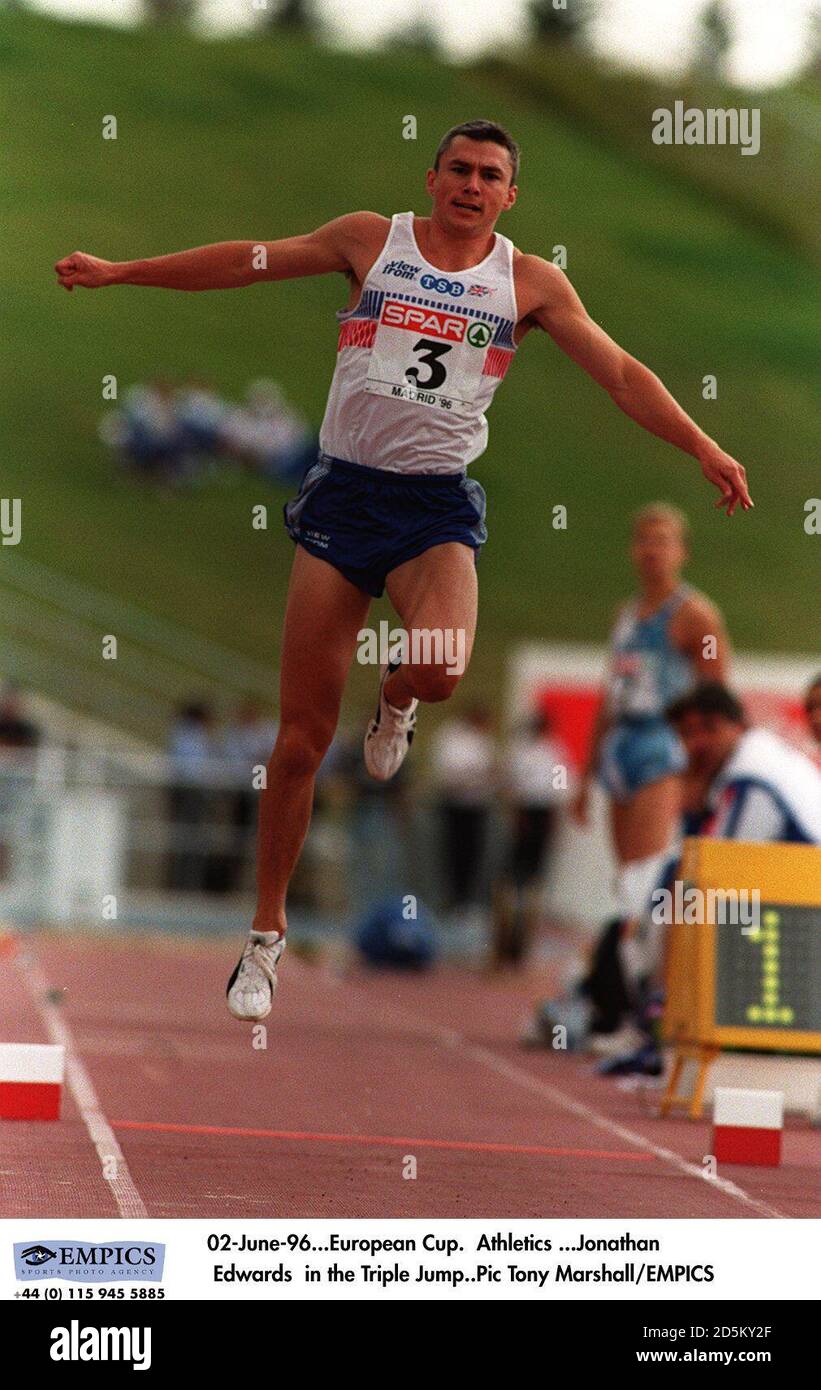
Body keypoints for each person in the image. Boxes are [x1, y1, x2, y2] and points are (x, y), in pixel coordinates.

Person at [55, 119, 753, 1022]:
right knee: (300, 741)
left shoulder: (529, 283)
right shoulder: (367, 242)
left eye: (489, 175)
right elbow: (250, 260)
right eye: (457, 168)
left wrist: (700, 444)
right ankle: (263, 939)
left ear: (510, 196)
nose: (470, 184)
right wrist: (123, 270)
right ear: (431, 177)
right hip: (343, 500)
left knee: (440, 666)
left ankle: (398, 700)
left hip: (433, 508)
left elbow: (618, 372)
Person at [573, 503, 729, 922]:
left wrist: (706, 769)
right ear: (632, 551)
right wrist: (585, 777)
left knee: (648, 874)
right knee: (626, 878)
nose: (652, 551)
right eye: (644, 540)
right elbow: (610, 696)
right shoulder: (625, 615)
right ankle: (624, 968)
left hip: (663, 746)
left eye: (663, 542)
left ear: (683, 553)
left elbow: (718, 699)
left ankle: (648, 974)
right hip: (621, 743)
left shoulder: (695, 615)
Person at [493, 709, 570, 966]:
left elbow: (559, 790)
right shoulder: (521, 752)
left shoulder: (554, 752)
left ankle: (524, 941)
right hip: (523, 812)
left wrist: (553, 820)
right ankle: (504, 939)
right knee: (512, 878)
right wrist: (515, 814)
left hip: (543, 813)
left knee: (534, 880)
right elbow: (509, 785)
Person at [429, 704, 496, 917]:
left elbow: (491, 771)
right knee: (452, 853)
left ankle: (466, 900)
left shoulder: (484, 740)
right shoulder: (450, 736)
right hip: (454, 804)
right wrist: (473, 774)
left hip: (477, 805)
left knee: (472, 854)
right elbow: (447, 773)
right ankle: (451, 899)